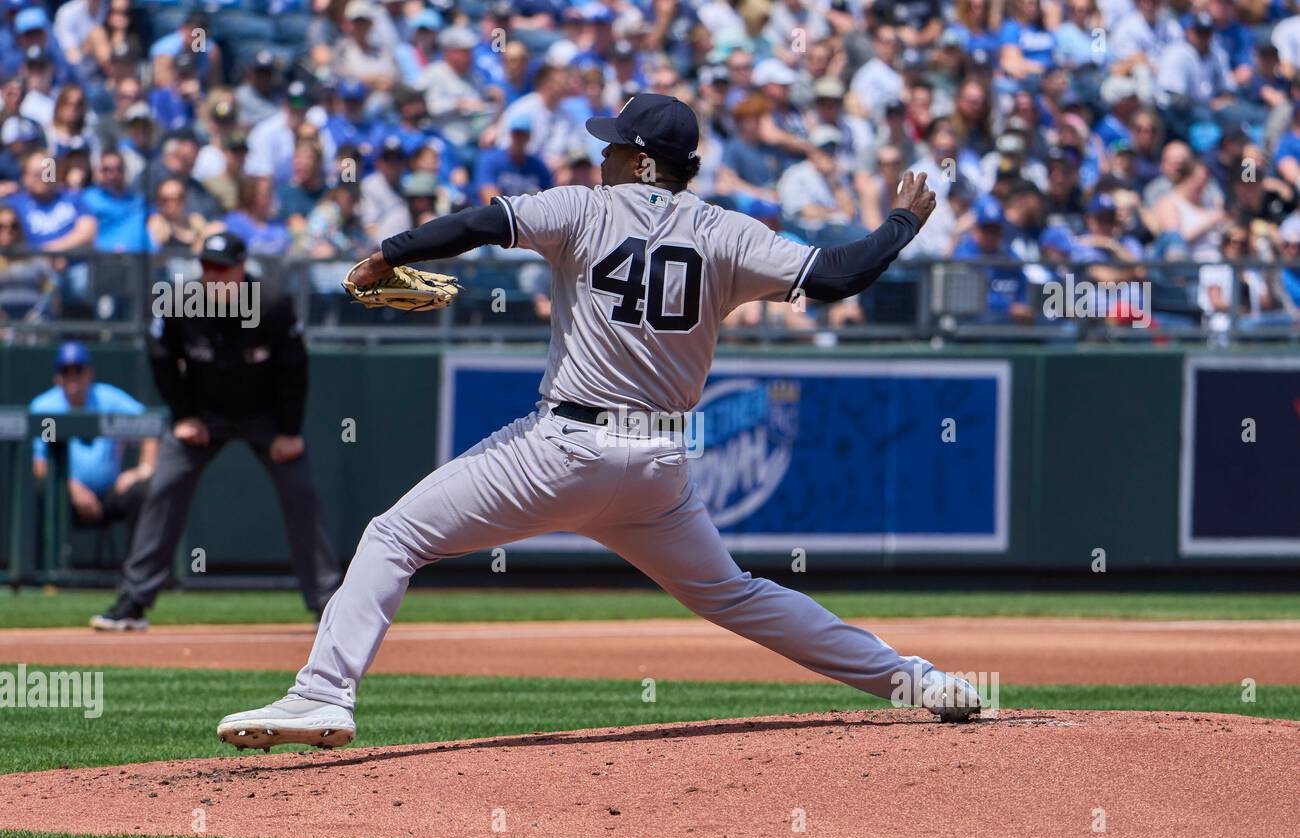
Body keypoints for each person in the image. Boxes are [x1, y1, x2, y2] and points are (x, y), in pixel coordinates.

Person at [216, 93, 979, 750]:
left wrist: (389, 253)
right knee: (737, 595)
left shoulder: (580, 207)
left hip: (565, 448)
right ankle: (917, 680)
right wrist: (905, 222)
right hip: (656, 465)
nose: (603, 154)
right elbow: (843, 275)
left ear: (642, 160)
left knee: (394, 536)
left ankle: (325, 691)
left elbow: (478, 224)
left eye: (614, 144)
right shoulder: (728, 231)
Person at [92, 231, 341, 631]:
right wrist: (184, 415)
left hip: (266, 417)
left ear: (243, 267)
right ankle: (134, 600)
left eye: (222, 267)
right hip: (204, 415)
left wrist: (290, 431)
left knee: (302, 493)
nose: (214, 274)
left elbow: (294, 369)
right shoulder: (180, 301)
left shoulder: (273, 303)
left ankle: (329, 604)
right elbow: (158, 353)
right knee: (164, 487)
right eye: (207, 266)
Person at [30, 342, 157, 551]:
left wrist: (143, 470)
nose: (72, 377)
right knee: (42, 490)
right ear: (56, 377)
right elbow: (40, 463)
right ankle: (47, 574)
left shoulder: (108, 398)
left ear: (89, 373)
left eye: (78, 370)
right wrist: (72, 488)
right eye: (65, 370)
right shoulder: (45, 408)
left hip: (110, 492)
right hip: (65, 494)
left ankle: (138, 573)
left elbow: (151, 425)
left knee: (142, 491)